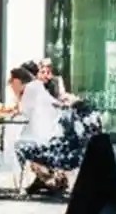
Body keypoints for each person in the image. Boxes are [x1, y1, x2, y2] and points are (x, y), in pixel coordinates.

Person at [10, 67, 100, 196]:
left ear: (17, 80)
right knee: (31, 142)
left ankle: (22, 186)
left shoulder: (33, 89)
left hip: (60, 154)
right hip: (70, 153)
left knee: (20, 145)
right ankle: (45, 179)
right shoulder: (82, 116)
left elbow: (23, 111)